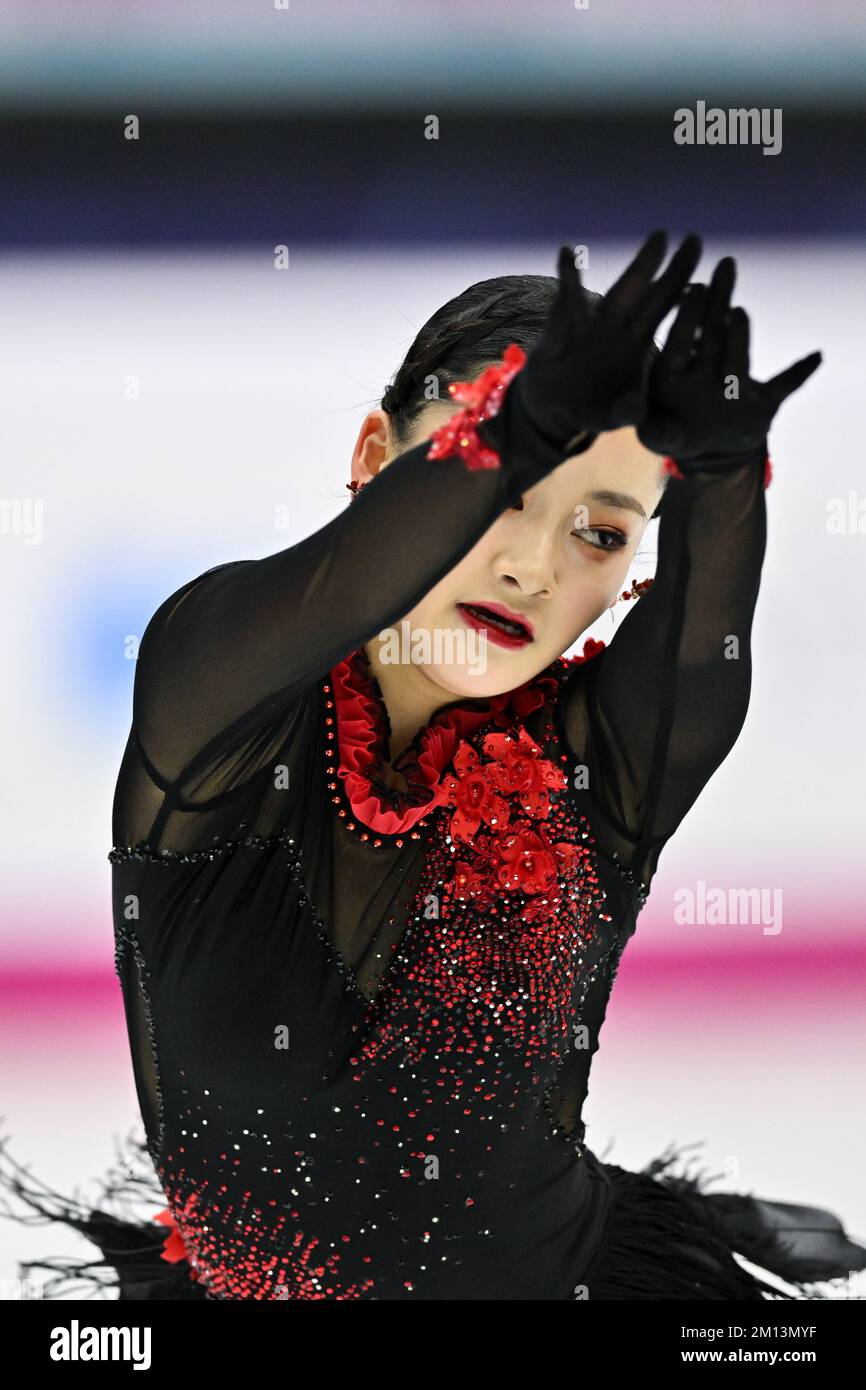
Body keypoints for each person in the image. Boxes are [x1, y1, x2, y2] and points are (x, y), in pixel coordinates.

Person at [1, 231, 864, 1300]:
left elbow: (702, 642)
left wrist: (726, 471)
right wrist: (519, 427)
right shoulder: (216, 701)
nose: (529, 564)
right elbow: (337, 587)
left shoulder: (600, 759)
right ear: (374, 458)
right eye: (504, 491)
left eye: (597, 534)